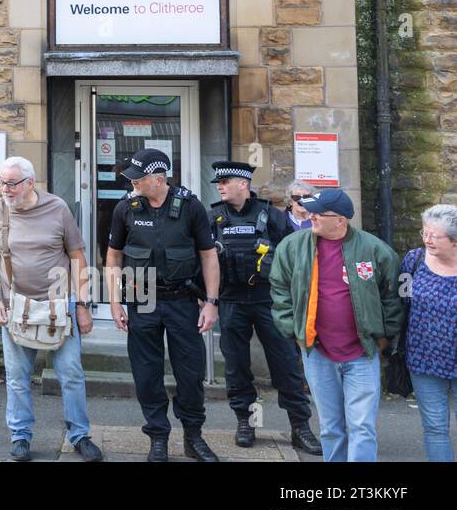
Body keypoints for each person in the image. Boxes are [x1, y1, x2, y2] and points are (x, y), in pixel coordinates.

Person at [0, 157, 103, 462]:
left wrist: (82, 305)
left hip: (60, 307)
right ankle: (20, 436)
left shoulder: (57, 208)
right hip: (15, 308)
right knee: (18, 377)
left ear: (30, 183)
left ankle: (79, 435)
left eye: (11, 183)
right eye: (2, 182)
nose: (5, 189)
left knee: (71, 373)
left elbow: (78, 256)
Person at [105, 147, 221, 462]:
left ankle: (193, 437)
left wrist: (211, 302)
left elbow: (208, 256)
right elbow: (114, 257)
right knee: (146, 372)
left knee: (190, 372)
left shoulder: (191, 207)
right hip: (142, 300)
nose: (132, 184)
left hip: (183, 299)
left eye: (138, 179)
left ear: (158, 178)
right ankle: (158, 436)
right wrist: (114, 301)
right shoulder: (125, 208)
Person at [270, 188, 403, 462]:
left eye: (319, 213)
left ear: (341, 220)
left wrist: (383, 337)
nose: (311, 216)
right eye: (311, 211)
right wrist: (294, 331)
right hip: (318, 353)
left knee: (362, 427)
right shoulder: (292, 247)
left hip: (362, 353)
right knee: (330, 428)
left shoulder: (375, 249)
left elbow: (392, 296)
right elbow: (279, 289)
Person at [208, 161, 319, 454]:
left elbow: (290, 257)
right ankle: (245, 422)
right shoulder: (214, 216)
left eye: (225, 181)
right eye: (218, 182)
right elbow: (203, 259)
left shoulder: (271, 215)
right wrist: (205, 298)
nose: (220, 186)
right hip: (231, 301)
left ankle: (300, 426)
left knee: (285, 365)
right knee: (236, 367)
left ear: (243, 184)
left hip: (269, 301)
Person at [402, 204, 457, 462]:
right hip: (424, 360)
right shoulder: (413, 261)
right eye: (424, 233)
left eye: (435, 236)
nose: (427, 240)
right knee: (435, 429)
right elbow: (401, 302)